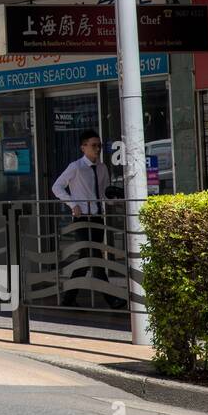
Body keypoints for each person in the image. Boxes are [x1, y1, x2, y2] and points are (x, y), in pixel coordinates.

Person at [51, 130, 123, 309]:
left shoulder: (102, 168)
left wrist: (115, 202)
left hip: (98, 217)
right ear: (83, 147)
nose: (97, 149)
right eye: (93, 145)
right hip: (82, 218)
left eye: (99, 145)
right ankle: (111, 298)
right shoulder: (75, 167)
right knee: (94, 257)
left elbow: (104, 193)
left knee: (86, 258)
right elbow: (57, 187)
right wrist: (72, 204)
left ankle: (68, 298)